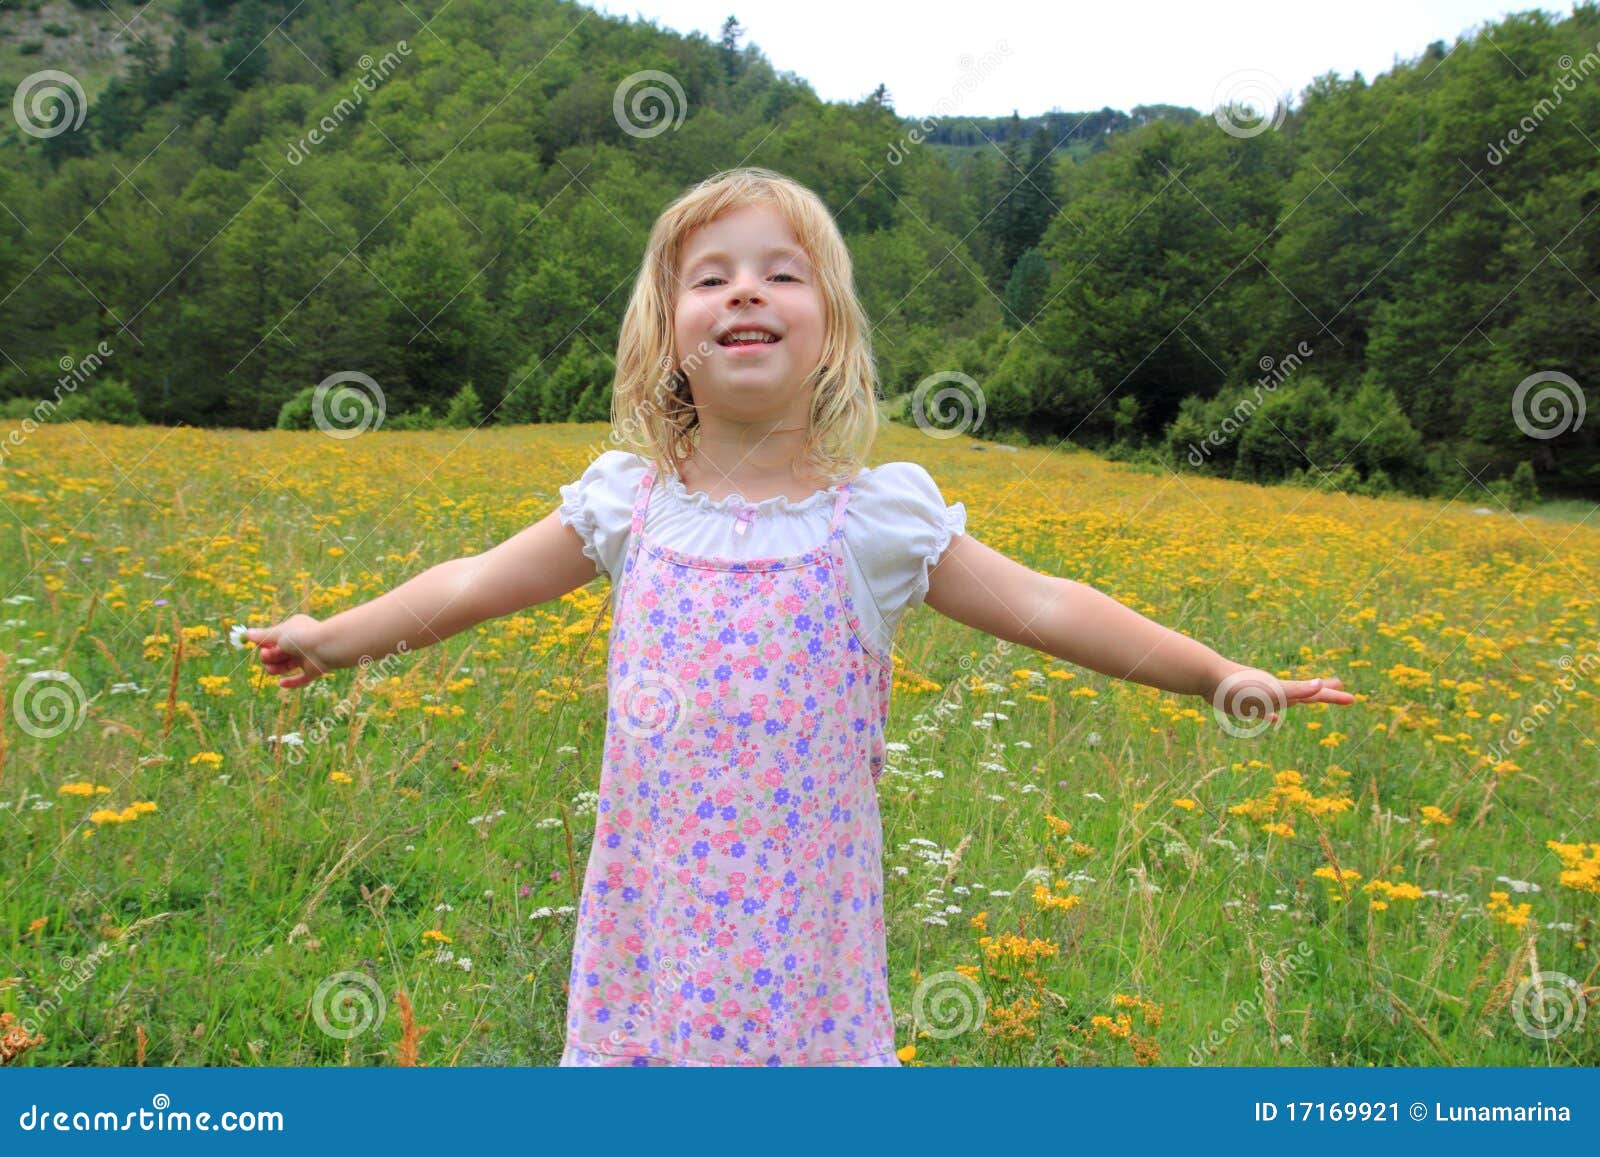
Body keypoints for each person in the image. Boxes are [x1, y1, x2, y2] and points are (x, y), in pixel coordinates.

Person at [243, 166, 1355, 1067]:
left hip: (802, 964)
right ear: (666, 329)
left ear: (828, 331)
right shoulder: (626, 505)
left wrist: (1213, 671)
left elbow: (1048, 605)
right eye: (709, 277)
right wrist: (332, 636)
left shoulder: (873, 524)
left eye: (782, 273)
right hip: (652, 933)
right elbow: (470, 583)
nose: (743, 292)